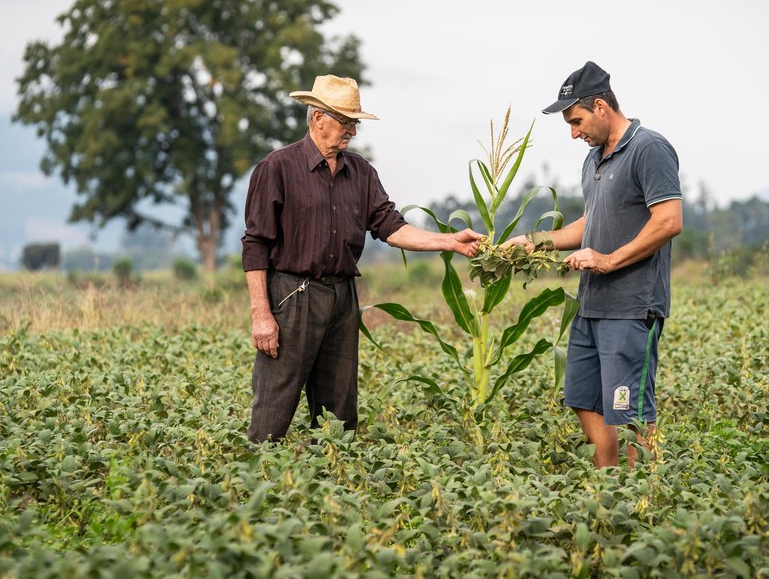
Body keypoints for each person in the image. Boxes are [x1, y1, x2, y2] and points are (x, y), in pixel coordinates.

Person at [241, 74, 483, 443]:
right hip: (293, 295)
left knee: (339, 410)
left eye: (355, 122)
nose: (352, 131)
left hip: (342, 297)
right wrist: (261, 314)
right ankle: (255, 467)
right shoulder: (278, 167)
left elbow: (391, 227)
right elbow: (256, 243)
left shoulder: (361, 172)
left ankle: (332, 473)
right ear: (318, 118)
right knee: (274, 403)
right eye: (346, 121)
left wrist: (450, 241)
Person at [506, 61, 682, 467]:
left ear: (601, 107)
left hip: (632, 307)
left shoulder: (649, 148)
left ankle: (645, 493)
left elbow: (669, 221)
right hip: (591, 305)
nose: (574, 133)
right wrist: (534, 243)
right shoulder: (594, 159)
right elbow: (591, 222)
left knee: (631, 412)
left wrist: (608, 260)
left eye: (577, 121)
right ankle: (609, 485)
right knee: (583, 397)